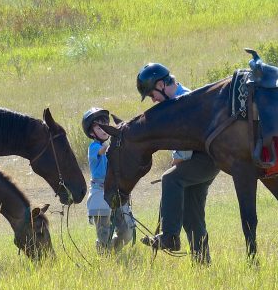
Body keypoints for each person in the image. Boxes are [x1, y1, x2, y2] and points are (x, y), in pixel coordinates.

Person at [135, 62, 219, 263]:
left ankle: (170, 237)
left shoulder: (184, 101)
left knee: (170, 179)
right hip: (201, 160)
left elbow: (187, 143)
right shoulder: (178, 101)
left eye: (151, 93)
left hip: (205, 159)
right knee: (192, 217)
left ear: (162, 85)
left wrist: (178, 160)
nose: (153, 99)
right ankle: (202, 263)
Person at [82, 107, 135, 254]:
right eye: (99, 127)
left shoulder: (114, 146)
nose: (104, 129)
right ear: (92, 133)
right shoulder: (94, 147)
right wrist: (117, 136)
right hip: (100, 189)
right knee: (103, 229)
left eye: (106, 125)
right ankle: (104, 252)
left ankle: (110, 251)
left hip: (116, 189)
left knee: (127, 231)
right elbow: (103, 150)